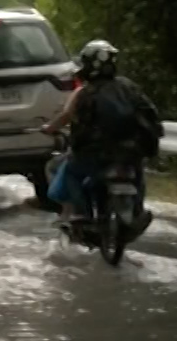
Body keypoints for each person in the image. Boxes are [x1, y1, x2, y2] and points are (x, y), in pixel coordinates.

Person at [40, 39, 162, 234]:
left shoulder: (84, 93)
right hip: (131, 152)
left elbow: (67, 117)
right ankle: (137, 211)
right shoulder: (128, 87)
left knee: (70, 172)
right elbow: (150, 115)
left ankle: (82, 215)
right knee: (138, 172)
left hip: (94, 155)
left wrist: (49, 128)